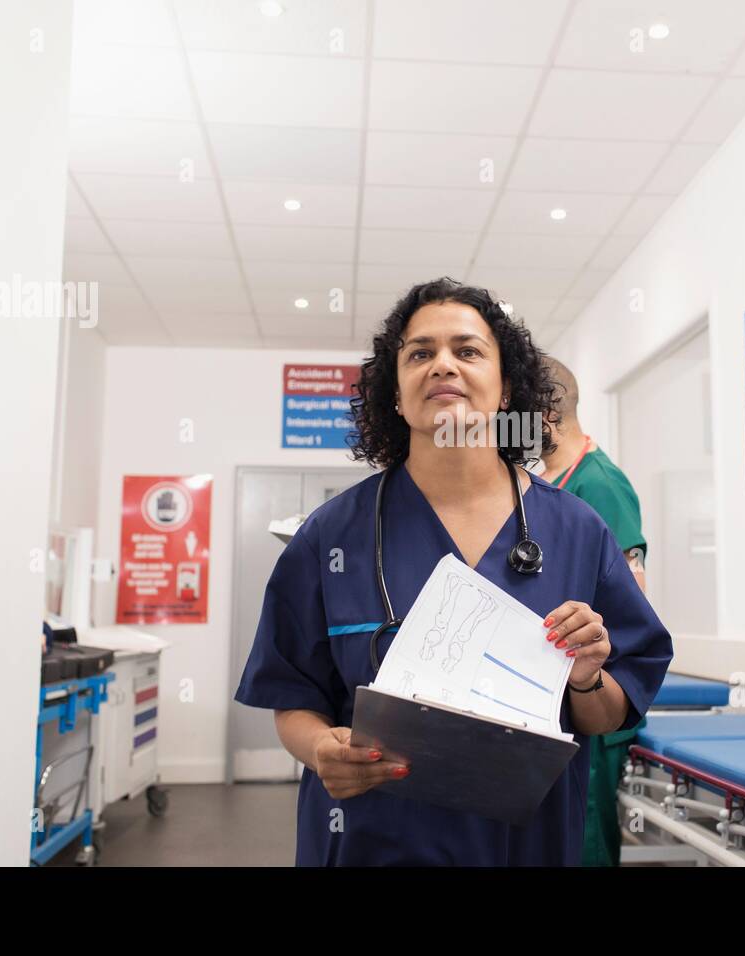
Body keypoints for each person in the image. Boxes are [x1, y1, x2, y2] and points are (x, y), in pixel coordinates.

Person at [234, 277, 672, 865]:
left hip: (529, 845)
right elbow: (291, 697)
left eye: (467, 351)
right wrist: (319, 749)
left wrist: (587, 677)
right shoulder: (330, 536)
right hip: (372, 842)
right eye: (420, 353)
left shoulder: (579, 532)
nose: (443, 365)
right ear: (395, 392)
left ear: (506, 385)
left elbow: (608, 713)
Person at [540, 357, 650, 868]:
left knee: (584, 844)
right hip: (551, 695)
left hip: (593, 697)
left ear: (541, 414)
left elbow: (632, 602)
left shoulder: (598, 482)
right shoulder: (550, 482)